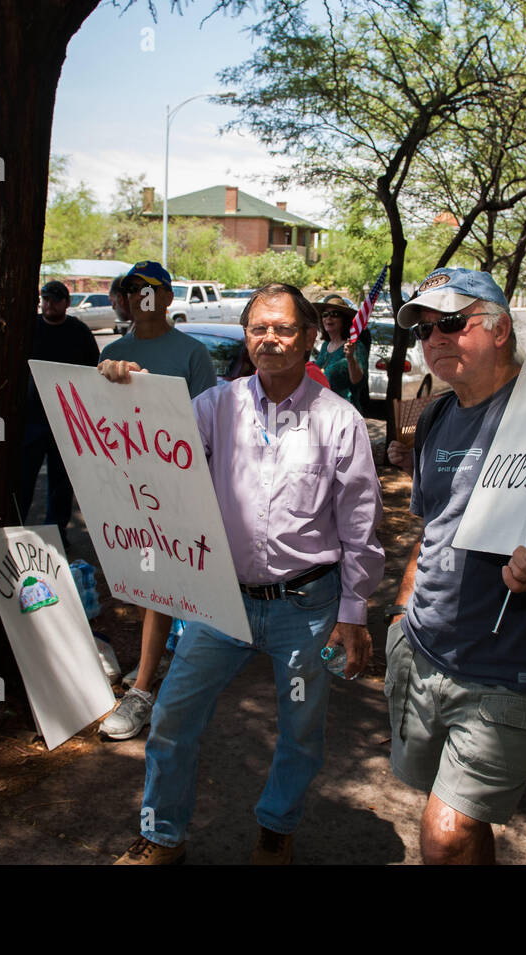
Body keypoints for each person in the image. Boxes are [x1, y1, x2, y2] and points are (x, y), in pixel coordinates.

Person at [112, 282, 384, 864]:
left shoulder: (340, 421)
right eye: (259, 327)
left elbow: (359, 527)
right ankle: (161, 835)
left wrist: (353, 615)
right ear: (246, 335)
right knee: (171, 716)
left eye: (284, 328)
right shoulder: (215, 405)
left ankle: (275, 830)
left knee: (300, 729)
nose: (270, 339)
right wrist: (122, 391)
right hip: (220, 606)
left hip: (306, 608)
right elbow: (154, 446)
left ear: (310, 337)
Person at [384, 267, 526, 865]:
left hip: (509, 670)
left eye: (452, 323)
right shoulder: (434, 415)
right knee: (451, 820)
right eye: (424, 329)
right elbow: (429, 527)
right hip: (423, 650)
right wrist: (402, 615)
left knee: (447, 832)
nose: (435, 338)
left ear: (501, 328)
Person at [97, 261, 218, 741]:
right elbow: (97, 425)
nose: (140, 298)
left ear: (168, 298)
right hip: (125, 488)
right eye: (131, 289)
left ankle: (143, 689)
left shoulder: (192, 353)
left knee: (157, 584)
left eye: (150, 290)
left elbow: (209, 428)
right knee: (145, 582)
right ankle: (164, 659)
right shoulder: (112, 350)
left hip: (176, 491)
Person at [21, 280, 98, 544]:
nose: (49, 304)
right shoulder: (29, 327)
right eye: (45, 299)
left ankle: (56, 534)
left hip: (66, 420)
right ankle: (16, 529)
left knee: (61, 483)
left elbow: (92, 372)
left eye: (55, 299)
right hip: (31, 419)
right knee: (23, 479)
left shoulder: (79, 332)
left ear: (66, 302)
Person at [310, 296, 369, 411]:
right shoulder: (325, 345)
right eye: (325, 314)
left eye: (335, 314)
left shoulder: (356, 346)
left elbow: (358, 382)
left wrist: (350, 358)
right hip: (322, 411)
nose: (329, 318)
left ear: (344, 319)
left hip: (344, 412)